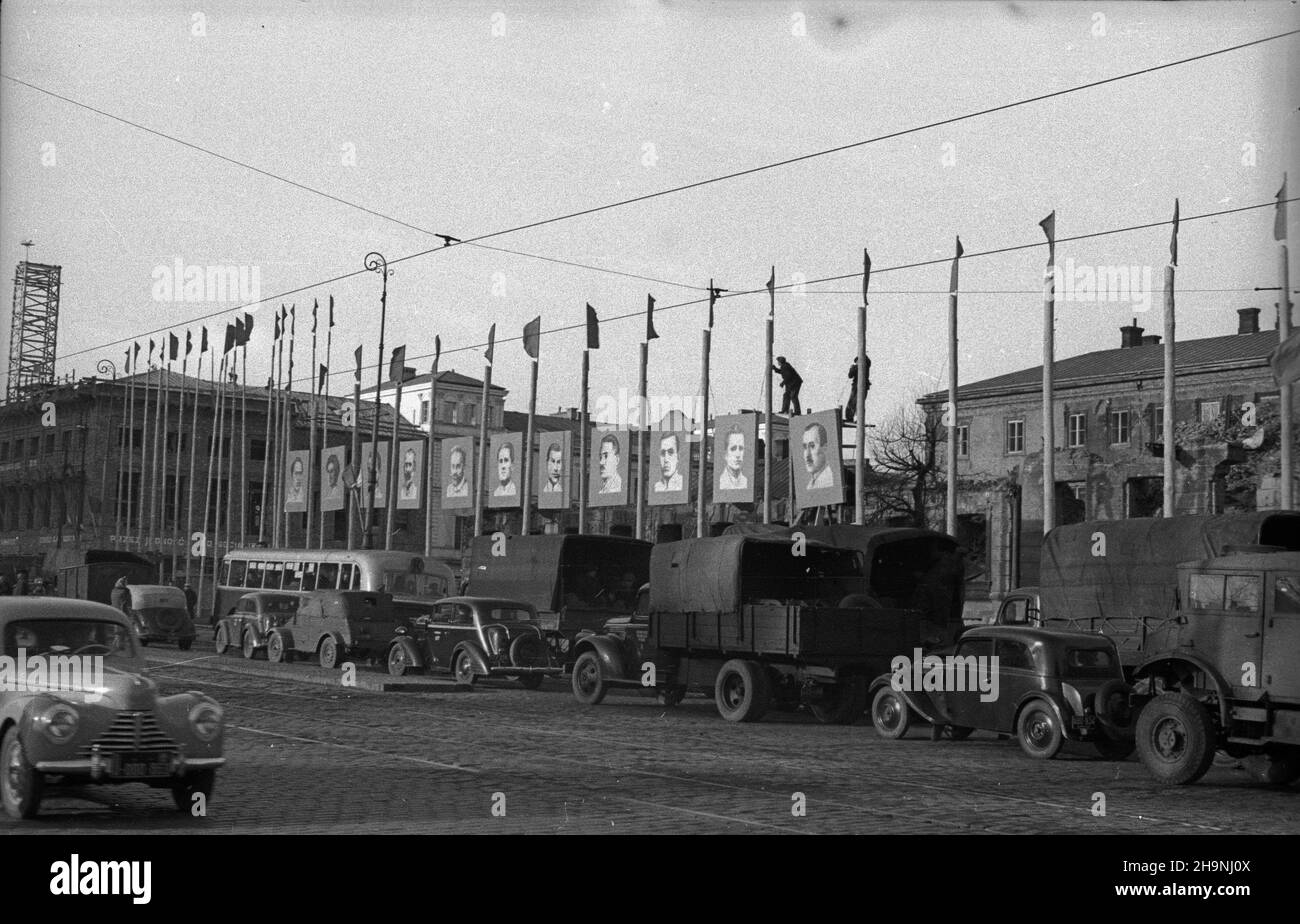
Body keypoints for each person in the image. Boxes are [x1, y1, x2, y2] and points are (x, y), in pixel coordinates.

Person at [802, 421, 835, 490]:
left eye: (812, 446)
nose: (807, 454)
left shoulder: (830, 482)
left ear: (825, 448)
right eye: (805, 447)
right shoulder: (811, 484)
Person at [717, 425, 748, 490]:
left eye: (741, 448)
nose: (737, 454)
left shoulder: (745, 481)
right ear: (725, 454)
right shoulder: (721, 481)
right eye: (733, 448)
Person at [844, 355, 872, 423]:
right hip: (862, 386)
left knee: (854, 403)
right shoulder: (866, 365)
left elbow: (850, 375)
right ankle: (858, 418)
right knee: (859, 403)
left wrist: (852, 367)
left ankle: (852, 418)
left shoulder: (860, 366)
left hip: (858, 387)